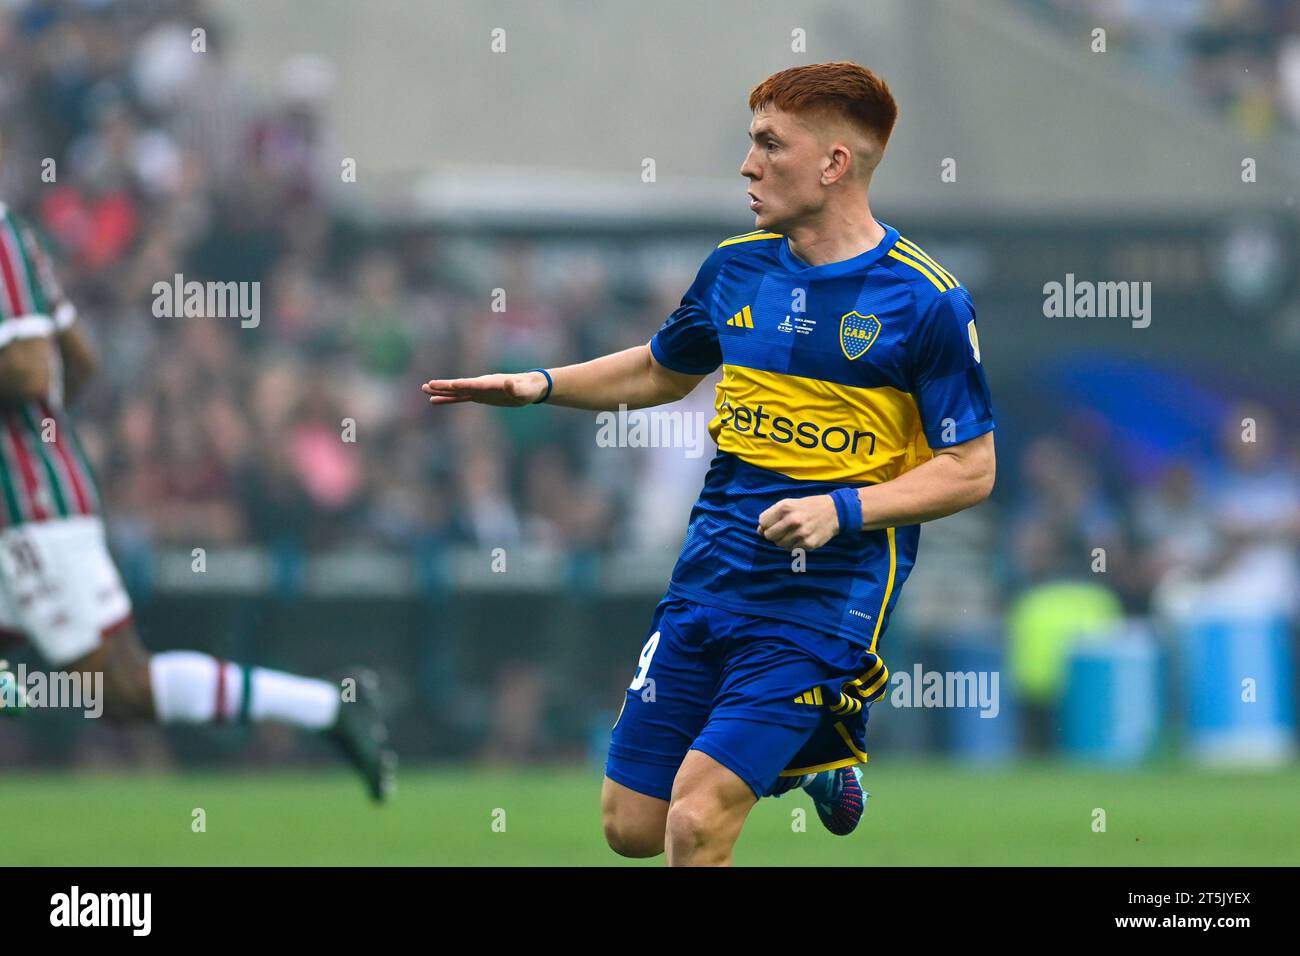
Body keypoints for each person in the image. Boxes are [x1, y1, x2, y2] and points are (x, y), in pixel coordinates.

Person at [422, 62, 996, 865]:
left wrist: (844, 509)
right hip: (710, 572)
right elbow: (663, 370)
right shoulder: (737, 267)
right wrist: (540, 385)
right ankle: (812, 759)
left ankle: (812, 727)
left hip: (822, 599)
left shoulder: (925, 301)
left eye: (770, 144)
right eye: (750, 142)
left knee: (695, 824)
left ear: (834, 163)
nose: (747, 164)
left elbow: (970, 467)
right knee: (632, 829)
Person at [0, 198, 395, 801]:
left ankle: (327, 707)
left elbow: (31, 367)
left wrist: (33, 447)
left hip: (27, 507)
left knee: (119, 688)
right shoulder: (19, 238)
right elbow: (78, 358)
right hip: (35, 489)